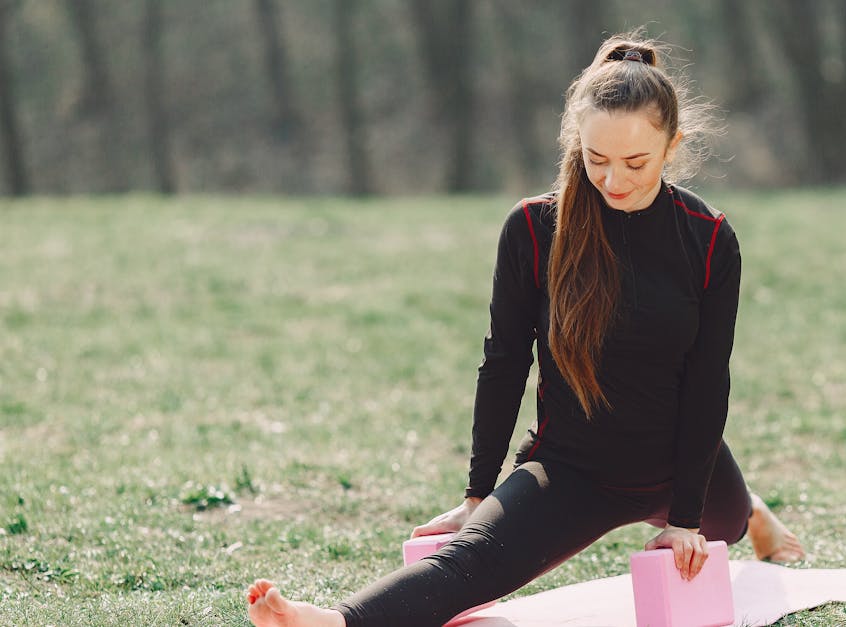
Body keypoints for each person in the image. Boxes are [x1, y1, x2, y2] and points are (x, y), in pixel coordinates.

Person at [246, 32, 805, 627]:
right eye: (596, 160)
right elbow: (504, 362)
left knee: (726, 523)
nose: (613, 180)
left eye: (636, 163)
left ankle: (751, 513)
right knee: (469, 563)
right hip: (571, 469)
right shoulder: (534, 229)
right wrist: (476, 494)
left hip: (680, 466)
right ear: (575, 144)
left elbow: (707, 380)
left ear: (673, 145)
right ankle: (330, 622)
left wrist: (688, 517)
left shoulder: (710, 238)